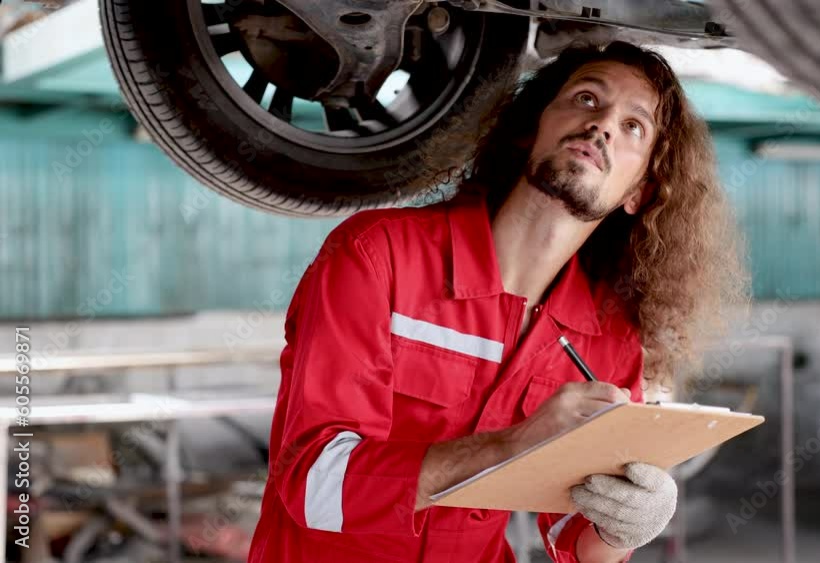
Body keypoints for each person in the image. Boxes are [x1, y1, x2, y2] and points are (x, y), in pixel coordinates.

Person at [248, 41, 748, 563]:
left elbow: (573, 543)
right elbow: (314, 488)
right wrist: (511, 447)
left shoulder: (608, 334)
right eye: (585, 98)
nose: (602, 125)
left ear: (639, 194)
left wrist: (623, 526)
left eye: (633, 127)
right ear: (530, 128)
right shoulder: (378, 256)